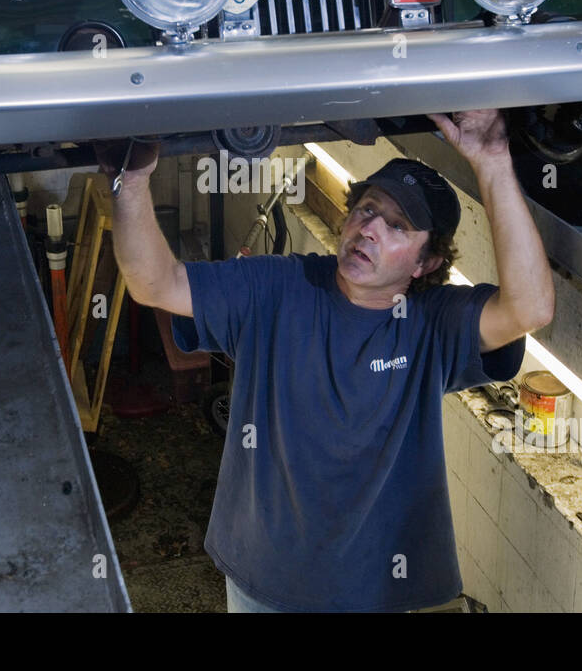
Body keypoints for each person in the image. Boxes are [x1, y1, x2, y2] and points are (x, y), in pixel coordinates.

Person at [102, 110, 554, 612]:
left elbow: (530, 307)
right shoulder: (276, 287)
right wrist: (133, 180)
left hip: (375, 587)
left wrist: (491, 162)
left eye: (397, 226)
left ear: (427, 262)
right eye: (366, 210)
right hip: (263, 577)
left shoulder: (433, 324)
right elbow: (156, 284)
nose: (369, 230)